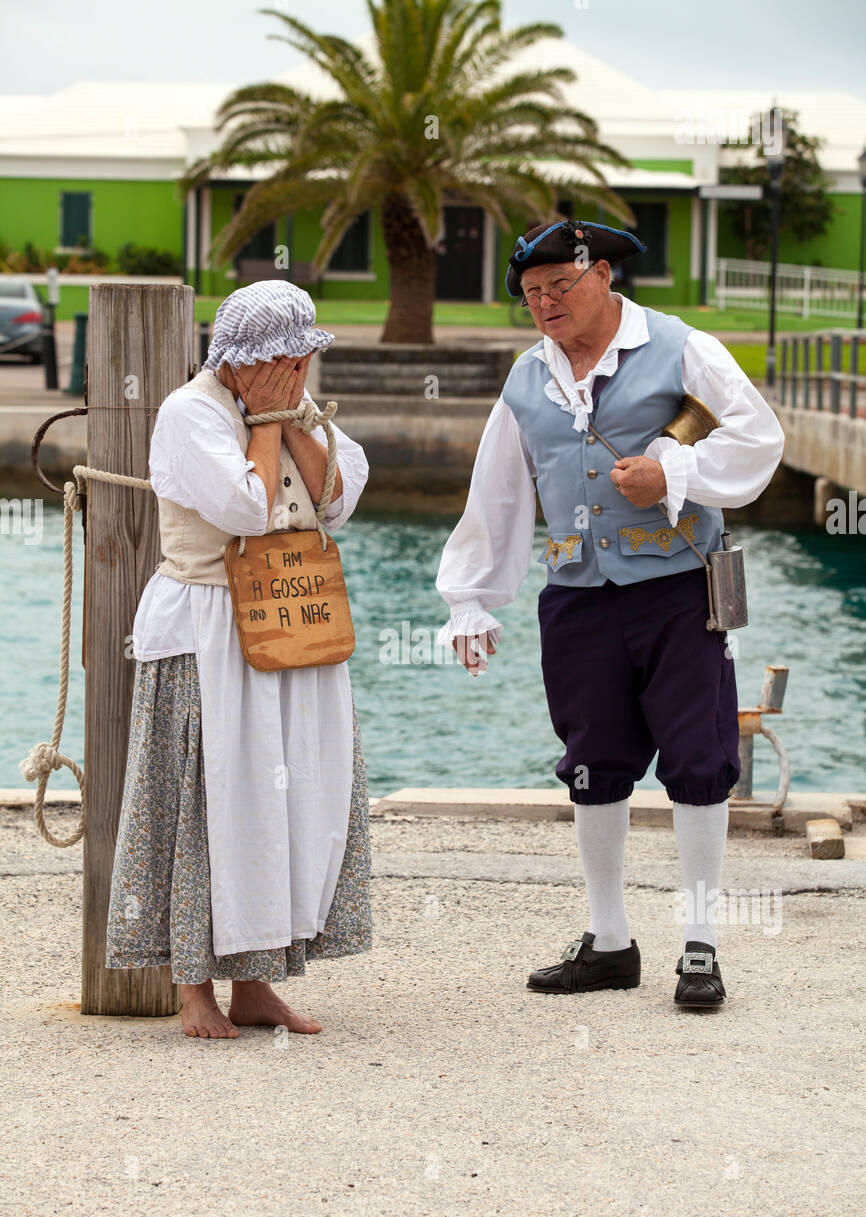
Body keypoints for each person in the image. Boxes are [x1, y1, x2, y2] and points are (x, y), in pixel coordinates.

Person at [436, 219, 784, 1008]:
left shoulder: (681, 346)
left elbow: (761, 439)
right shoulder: (526, 380)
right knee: (592, 761)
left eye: (560, 286)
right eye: (531, 294)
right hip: (577, 596)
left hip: (678, 587)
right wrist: (471, 599)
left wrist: (676, 475)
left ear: (601, 277)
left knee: (699, 759)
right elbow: (498, 491)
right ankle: (611, 942)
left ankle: (701, 945)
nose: (546, 304)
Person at [105, 280, 372, 1038]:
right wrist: (267, 421)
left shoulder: (295, 408)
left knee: (281, 800)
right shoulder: (190, 412)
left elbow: (338, 498)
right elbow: (246, 509)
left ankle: (258, 983)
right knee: (205, 796)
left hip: (293, 618)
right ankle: (193, 990)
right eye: (285, 360)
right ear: (245, 359)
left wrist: (287, 419)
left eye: (304, 359)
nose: (299, 373)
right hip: (208, 628)